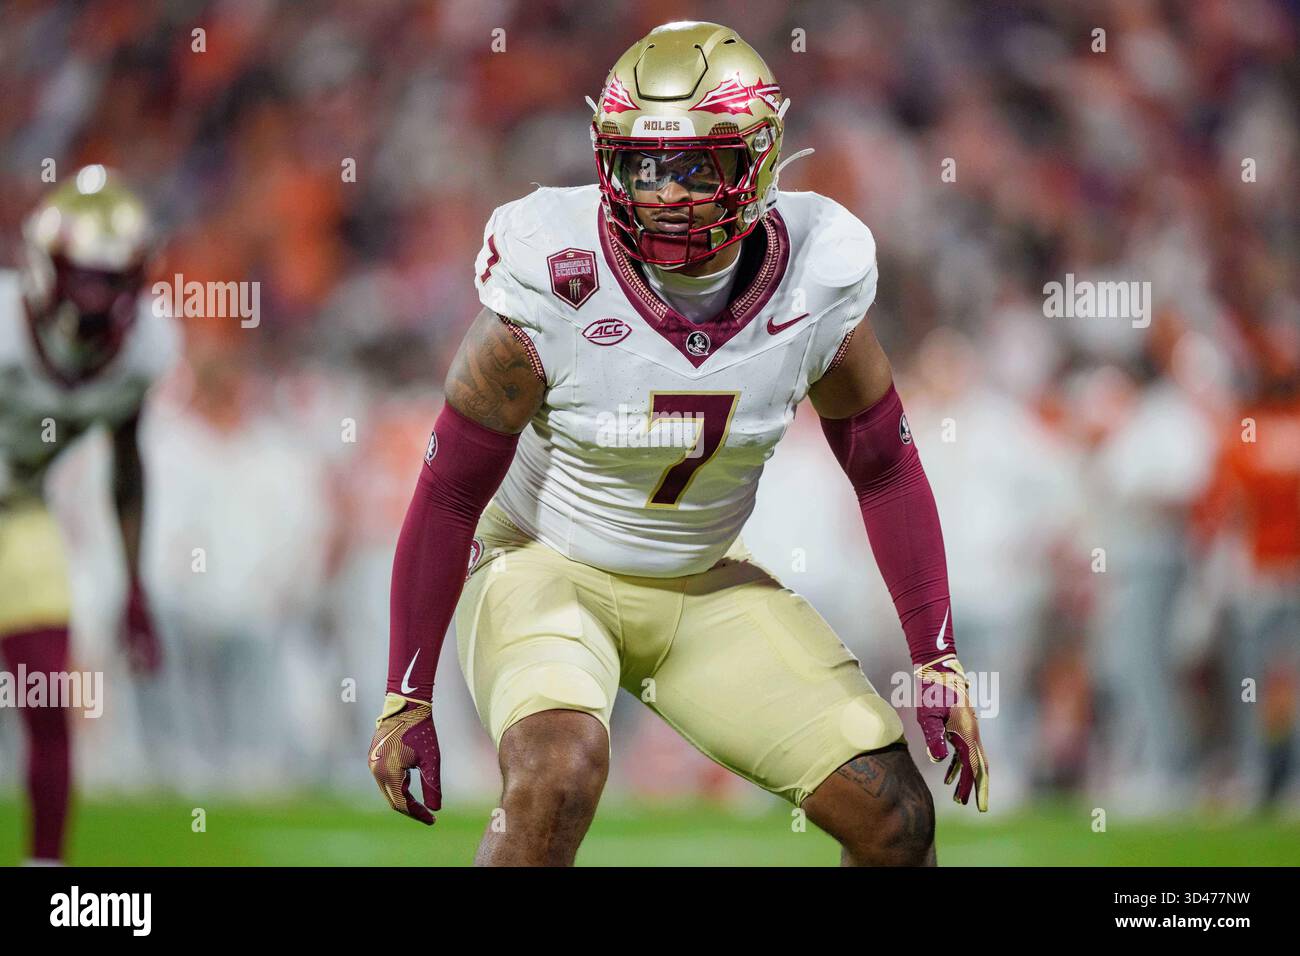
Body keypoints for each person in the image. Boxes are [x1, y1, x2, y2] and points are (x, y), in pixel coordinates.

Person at [369, 21, 988, 865]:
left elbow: (883, 470)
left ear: (761, 158)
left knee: (896, 820)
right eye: (644, 163)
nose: (664, 192)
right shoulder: (559, 276)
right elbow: (448, 492)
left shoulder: (815, 273)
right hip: (541, 566)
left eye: (699, 164)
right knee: (558, 772)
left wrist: (936, 655)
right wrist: (407, 693)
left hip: (697, 584)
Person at [0, 166, 178, 863]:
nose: (101, 299)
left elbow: (127, 467)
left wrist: (136, 587)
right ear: (46, 269)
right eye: (86, 277)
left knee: (48, 698)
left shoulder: (145, 349)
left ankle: (47, 871)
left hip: (18, 514)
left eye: (116, 279)